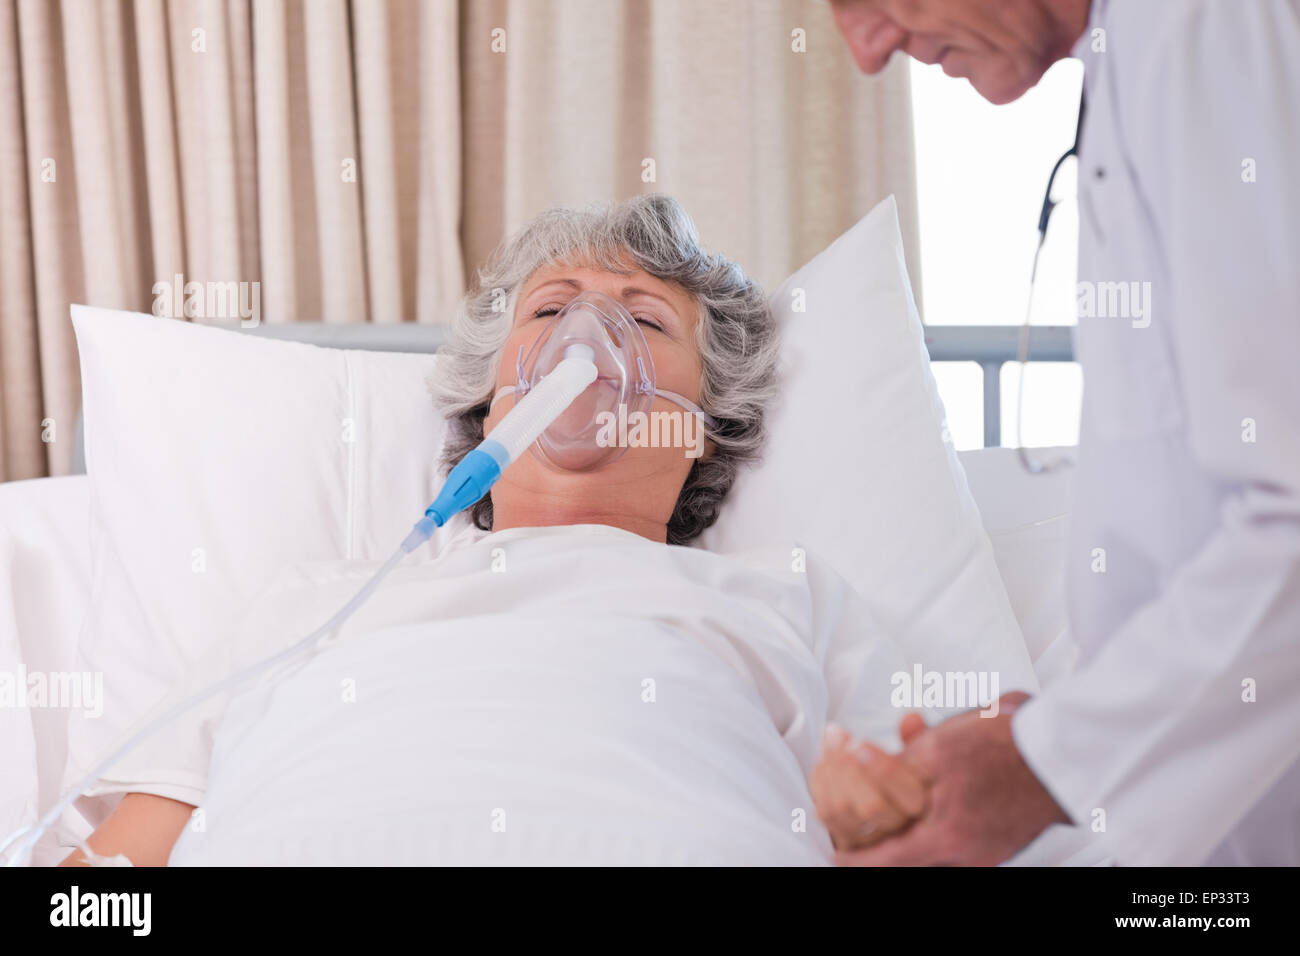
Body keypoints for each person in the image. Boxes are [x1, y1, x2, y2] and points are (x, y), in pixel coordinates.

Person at [61, 194, 931, 866]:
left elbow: (924, 822)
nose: (591, 336)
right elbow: (120, 868)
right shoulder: (318, 603)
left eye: (649, 317)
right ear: (490, 394)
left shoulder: (781, 598)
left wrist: (875, 827)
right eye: (550, 311)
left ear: (705, 417)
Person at [828, 0, 1300, 865]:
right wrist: (1063, 728)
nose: (866, 50)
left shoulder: (1208, 25)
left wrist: (1047, 761)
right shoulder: (1141, 59)